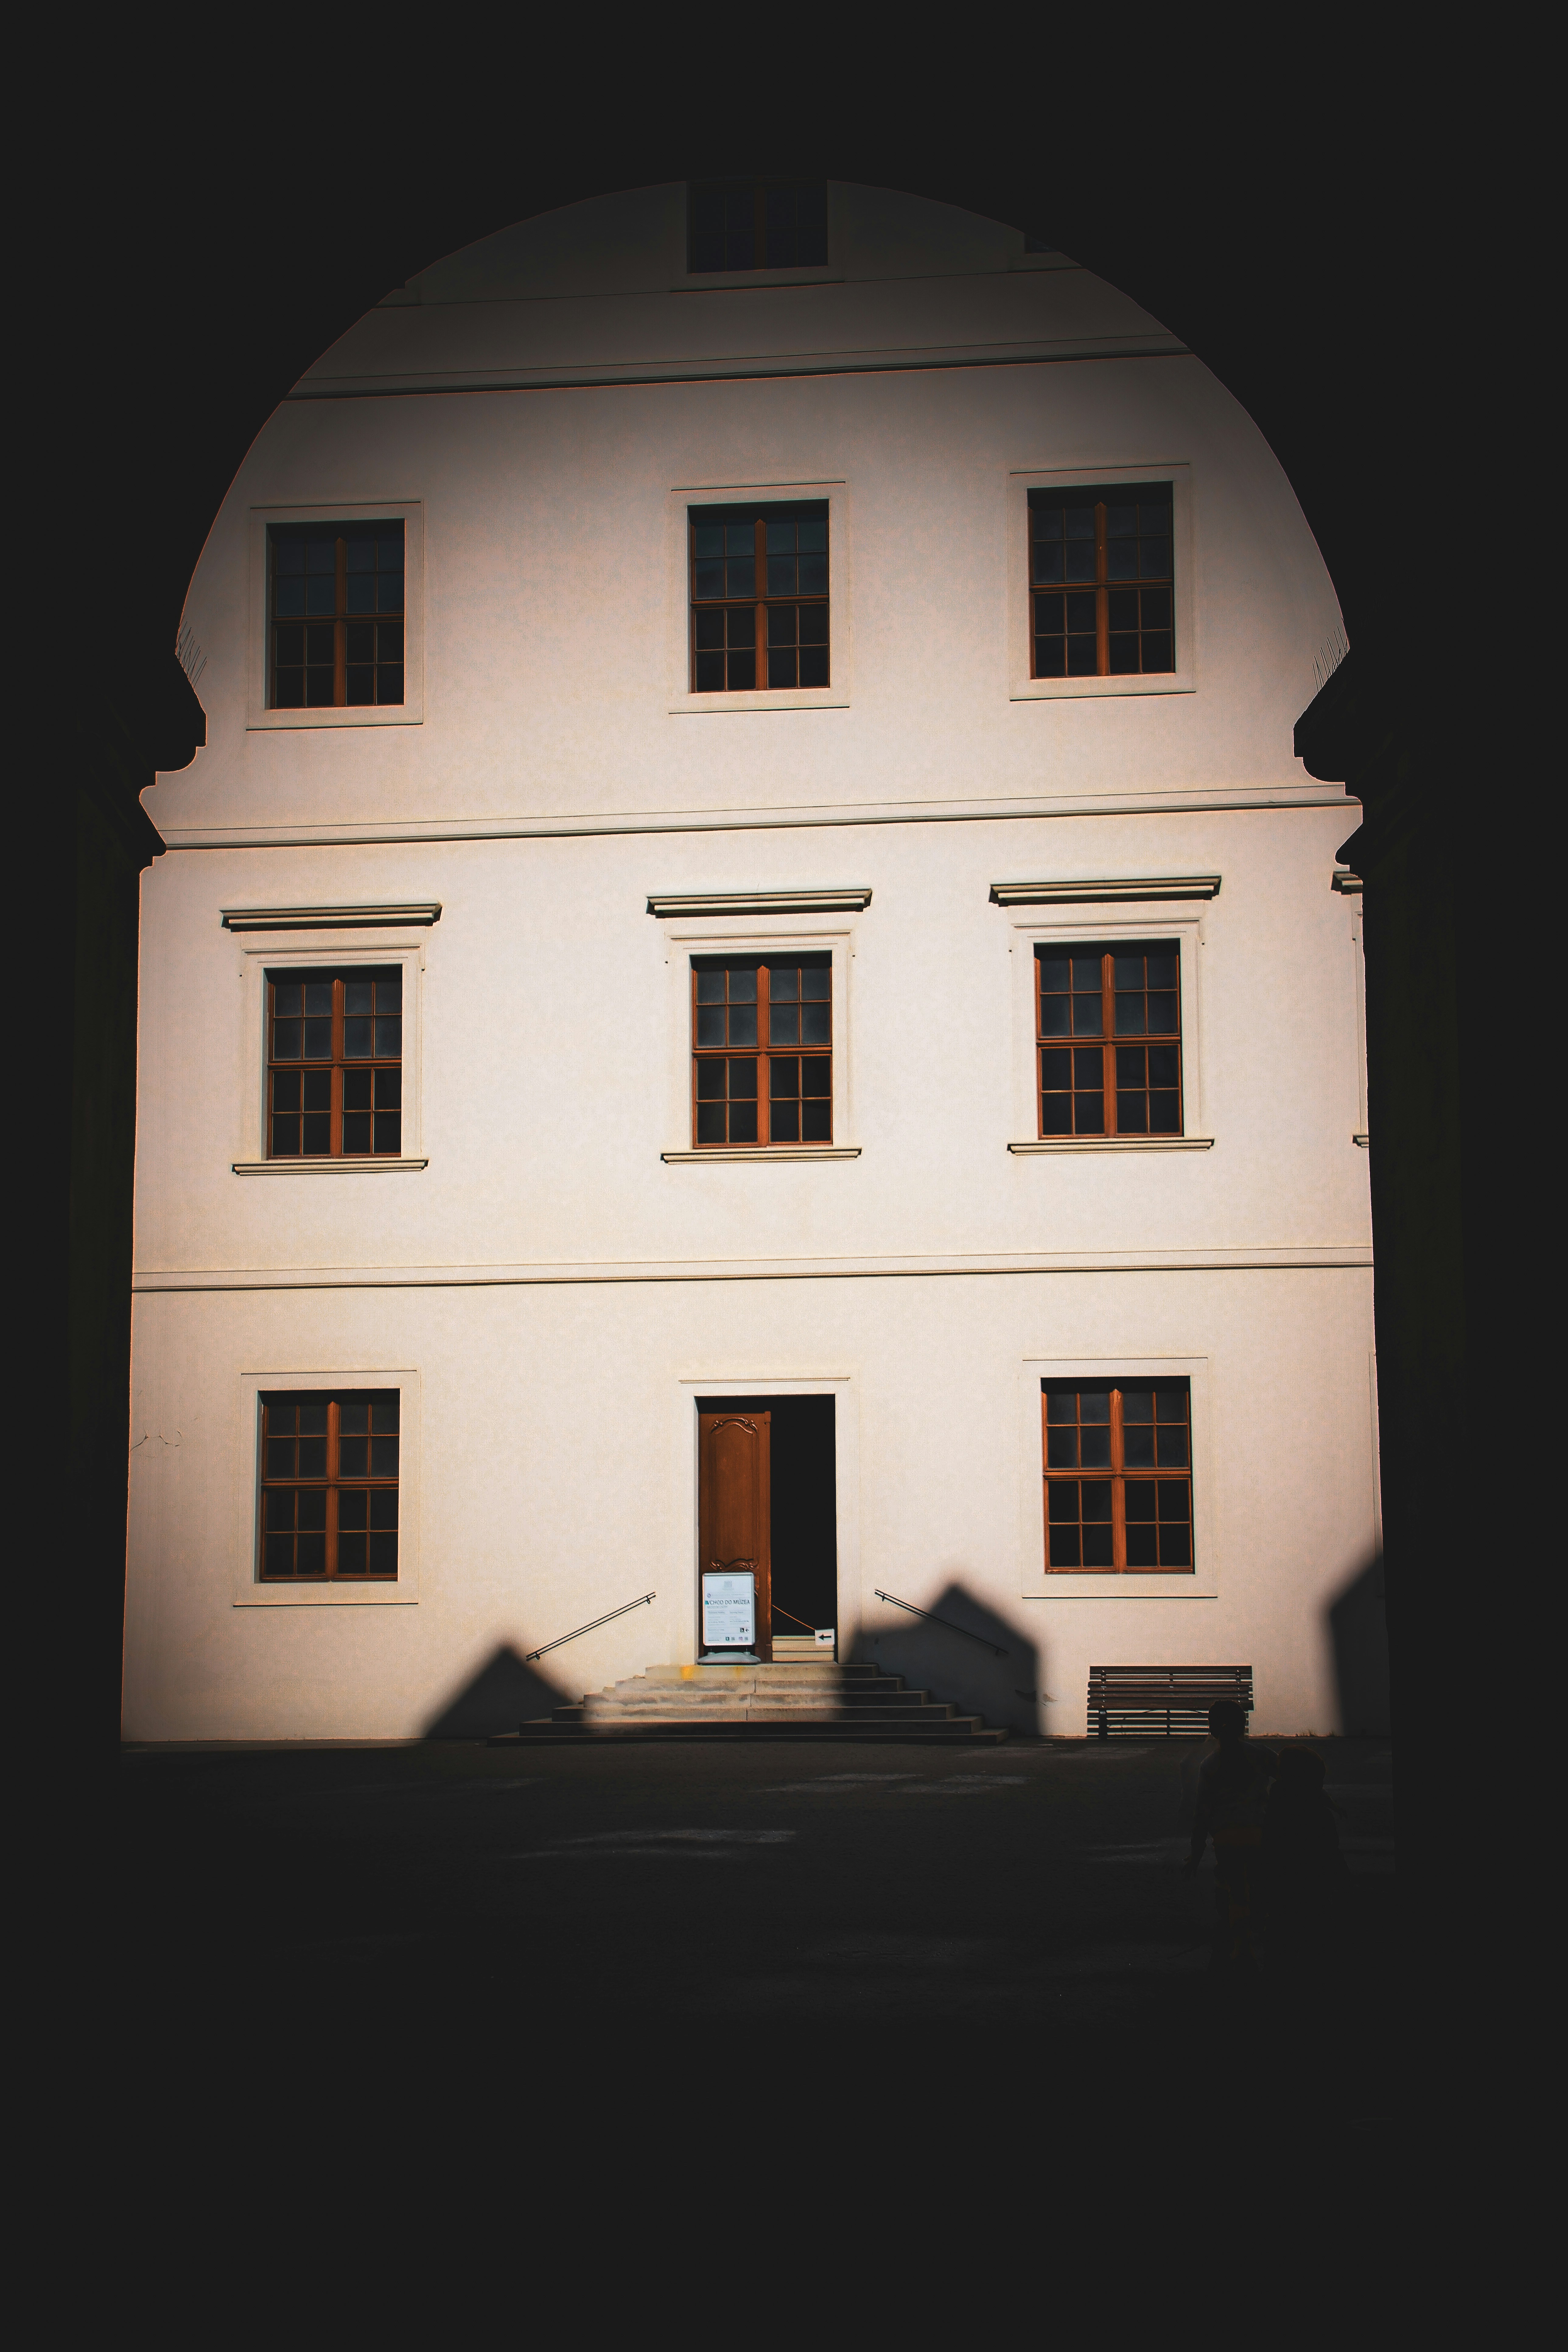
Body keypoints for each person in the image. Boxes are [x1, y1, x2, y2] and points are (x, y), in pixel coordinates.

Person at [1183, 1700, 1276, 1968]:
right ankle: (1266, 1931)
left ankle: (1241, 1946)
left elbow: (1202, 1814)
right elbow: (1292, 1776)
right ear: (1243, 1726)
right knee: (1259, 1883)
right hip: (1258, 1832)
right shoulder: (1261, 1754)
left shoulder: (1210, 1765)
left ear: (1212, 1730)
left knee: (1233, 1889)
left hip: (1226, 1837)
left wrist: (1196, 1854)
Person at [1262, 1745, 1348, 1971]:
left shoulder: (1275, 1806)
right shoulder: (1319, 1815)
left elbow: (1268, 1849)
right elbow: (1332, 1853)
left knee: (1281, 1940)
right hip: (1314, 1889)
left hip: (1282, 1888)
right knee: (1316, 1937)